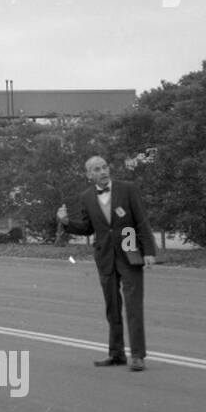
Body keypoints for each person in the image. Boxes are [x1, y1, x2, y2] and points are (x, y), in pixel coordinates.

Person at [57, 155, 157, 371]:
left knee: (133, 306)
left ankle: (138, 356)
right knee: (112, 307)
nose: (103, 172)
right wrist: (66, 223)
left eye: (104, 167)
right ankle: (116, 354)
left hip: (130, 248)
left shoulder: (127, 188)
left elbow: (141, 220)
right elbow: (87, 228)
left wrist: (149, 251)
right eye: (97, 169)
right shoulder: (87, 196)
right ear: (89, 175)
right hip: (105, 256)